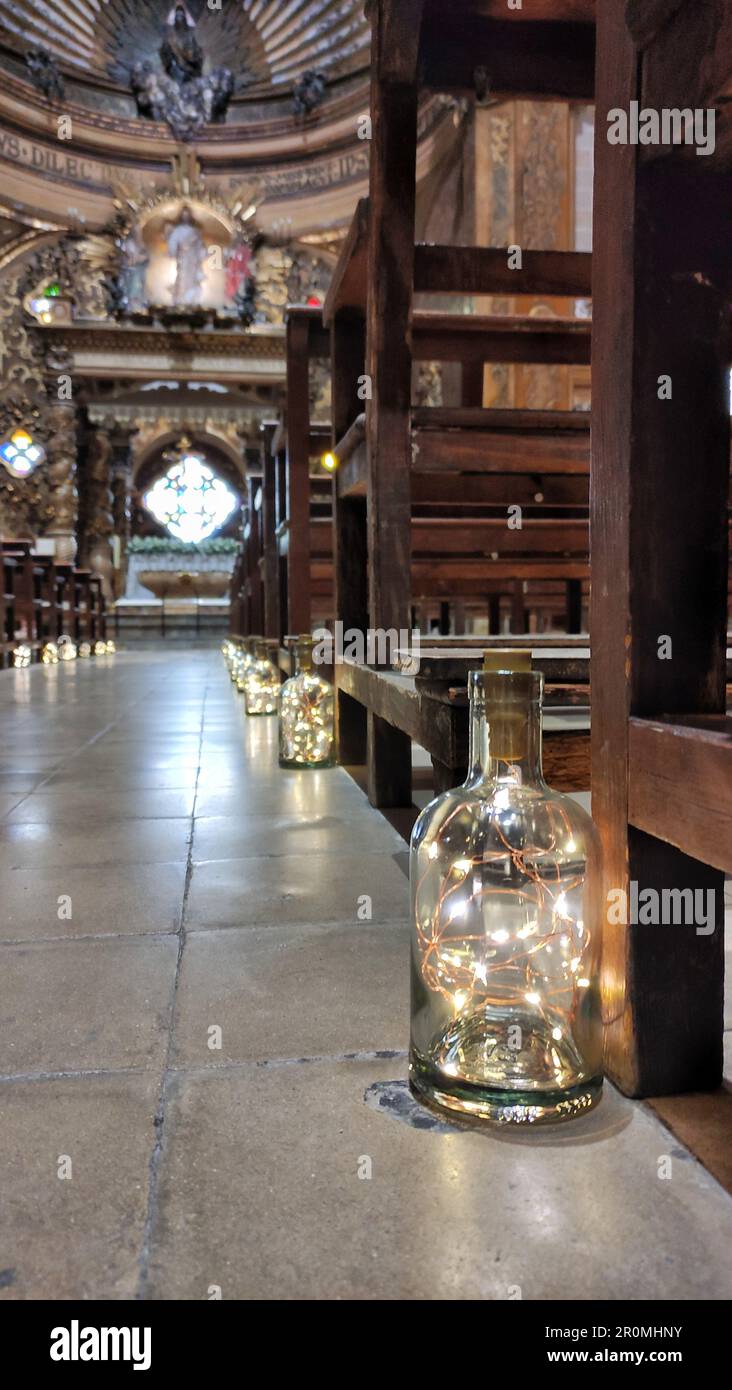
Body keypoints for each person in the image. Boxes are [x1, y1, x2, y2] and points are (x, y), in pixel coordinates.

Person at [166, 207, 205, 305]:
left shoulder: (195, 231)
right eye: (184, 215)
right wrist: (174, 251)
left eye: (187, 215)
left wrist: (200, 252)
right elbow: (173, 243)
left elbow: (200, 245)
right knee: (182, 277)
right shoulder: (177, 230)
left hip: (192, 258)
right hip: (182, 257)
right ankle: (180, 298)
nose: (185, 217)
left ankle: (191, 299)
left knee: (192, 278)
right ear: (181, 217)